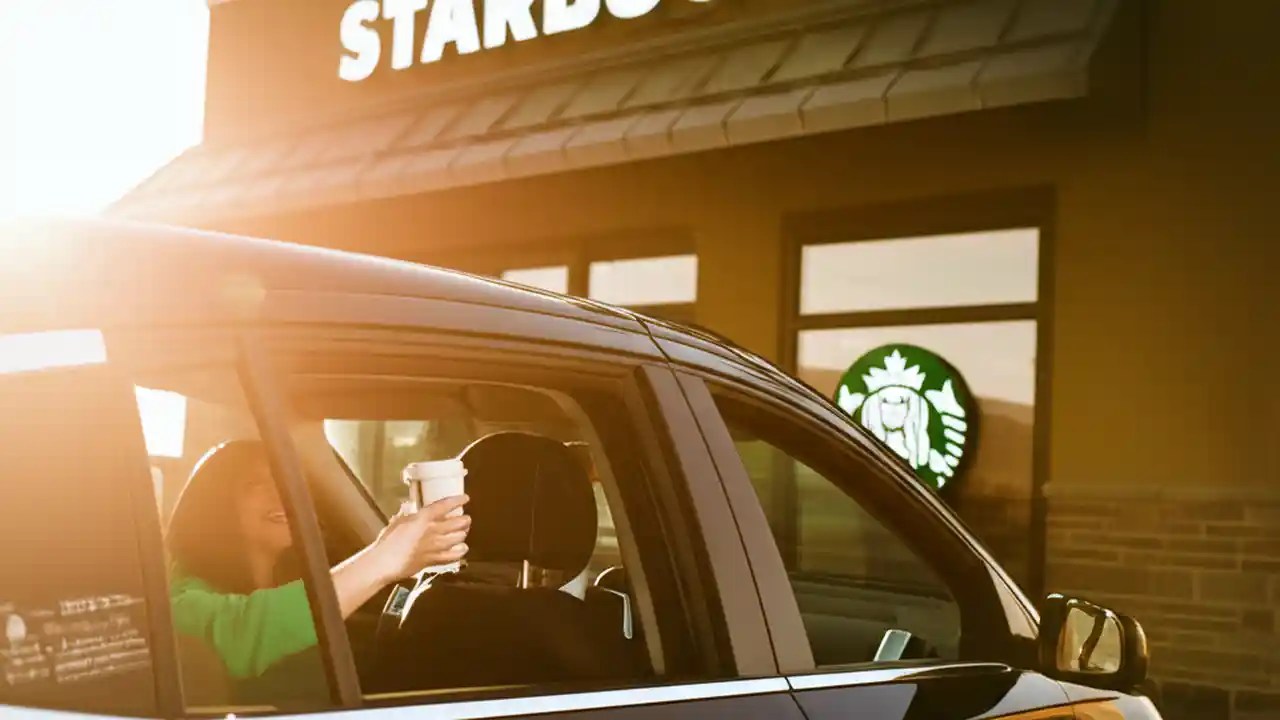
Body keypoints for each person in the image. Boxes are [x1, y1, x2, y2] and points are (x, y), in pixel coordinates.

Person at [165, 439, 469, 703]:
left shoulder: (287, 587)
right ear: (214, 506)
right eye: (256, 485)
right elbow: (246, 632)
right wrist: (384, 557)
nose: (282, 494)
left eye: (285, 480)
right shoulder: (177, 601)